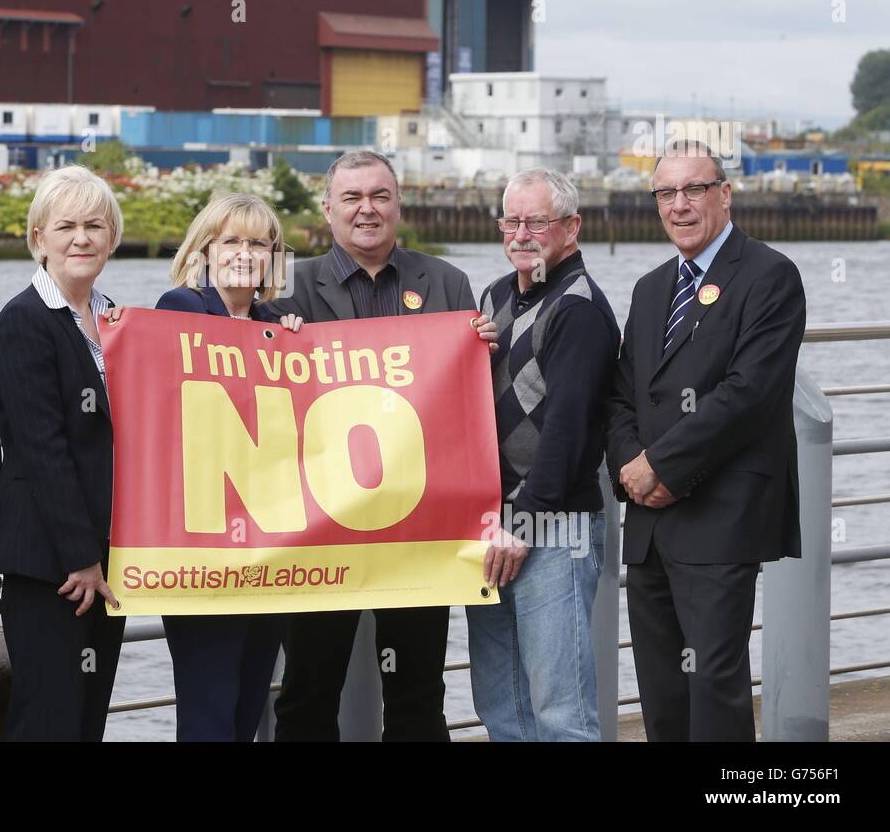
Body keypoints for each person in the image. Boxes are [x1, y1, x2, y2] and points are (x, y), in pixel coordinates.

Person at [267, 148, 505, 742]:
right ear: (327, 209)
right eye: (351, 198)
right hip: (317, 530)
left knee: (419, 694)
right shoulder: (288, 289)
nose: (366, 210)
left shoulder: (447, 282)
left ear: (398, 205)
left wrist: (479, 350)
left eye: (379, 196)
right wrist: (270, 340)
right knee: (307, 693)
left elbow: (468, 406)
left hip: (418, 525)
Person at [606, 143, 806, 742]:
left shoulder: (770, 275)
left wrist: (662, 467)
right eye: (666, 193)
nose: (680, 205)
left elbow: (748, 395)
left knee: (715, 683)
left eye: (694, 189)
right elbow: (620, 396)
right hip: (648, 520)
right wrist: (630, 469)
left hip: (719, 514)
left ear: (725, 193)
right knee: (661, 687)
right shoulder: (650, 288)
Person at [467, 169, 618, 741]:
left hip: (553, 527)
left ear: (572, 227)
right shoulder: (496, 296)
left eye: (538, 221)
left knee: (561, 710)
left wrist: (523, 521)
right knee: (501, 702)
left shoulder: (579, 309)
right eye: (512, 220)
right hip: (494, 523)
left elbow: (569, 429)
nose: (522, 233)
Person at [150, 192, 305, 742]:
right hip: (202, 544)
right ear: (206, 249)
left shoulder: (276, 324)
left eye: (258, 243)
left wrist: (292, 347)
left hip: (267, 549)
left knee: (246, 704)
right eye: (231, 240)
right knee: (209, 707)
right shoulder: (180, 309)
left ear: (272, 256)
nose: (245, 252)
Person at [0, 165, 127, 741]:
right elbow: (40, 449)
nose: (82, 238)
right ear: (38, 239)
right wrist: (80, 557)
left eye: (95, 225)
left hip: (105, 561)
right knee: (48, 721)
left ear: (112, 237)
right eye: (65, 225)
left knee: (88, 718)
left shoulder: (116, 318)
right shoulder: (24, 321)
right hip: (52, 566)